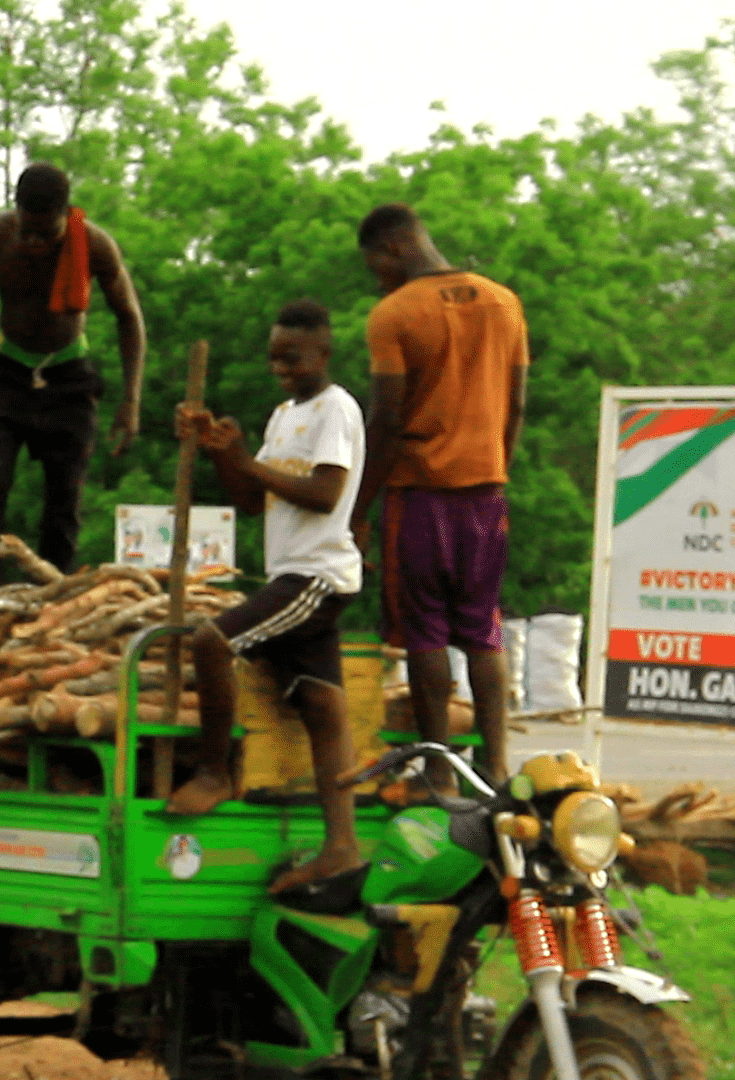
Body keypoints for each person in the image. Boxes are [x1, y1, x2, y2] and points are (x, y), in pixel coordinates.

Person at [166, 298, 366, 894]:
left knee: (212, 642)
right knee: (324, 709)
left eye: (293, 357)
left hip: (313, 577)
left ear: (323, 353)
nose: (281, 367)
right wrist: (225, 456)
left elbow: (326, 494)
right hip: (289, 573)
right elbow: (254, 501)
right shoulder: (284, 415)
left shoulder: (337, 410)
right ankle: (341, 848)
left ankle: (213, 772)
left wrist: (247, 462)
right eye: (275, 358)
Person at [348, 203, 529, 788]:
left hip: (420, 495)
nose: (375, 275)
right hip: (487, 493)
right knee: (483, 626)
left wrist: (357, 510)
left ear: (395, 249)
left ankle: (438, 771)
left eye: (374, 262)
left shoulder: (395, 312)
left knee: (426, 631)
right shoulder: (505, 303)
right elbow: (518, 404)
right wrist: (495, 465)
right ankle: (496, 765)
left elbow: (386, 419)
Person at [0, 163, 146, 588]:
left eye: (46, 233)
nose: (35, 242)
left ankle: (53, 592)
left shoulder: (95, 245)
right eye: (27, 231)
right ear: (15, 213)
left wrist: (130, 401)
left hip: (68, 378)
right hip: (5, 374)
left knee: (64, 498)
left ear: (66, 215)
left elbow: (129, 318)